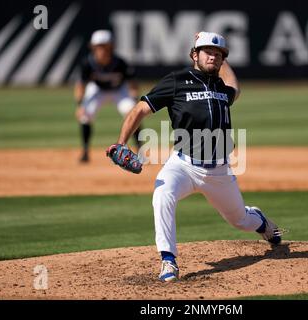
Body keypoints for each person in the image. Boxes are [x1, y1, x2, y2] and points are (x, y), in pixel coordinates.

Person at [108, 31, 283, 282]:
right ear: (194, 55)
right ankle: (168, 260)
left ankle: (264, 224)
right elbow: (141, 109)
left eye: (219, 54)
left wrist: (222, 56)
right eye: (208, 52)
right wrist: (121, 142)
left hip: (219, 171)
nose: (213, 56)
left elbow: (236, 87)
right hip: (183, 165)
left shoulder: (221, 88)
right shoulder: (177, 80)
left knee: (239, 219)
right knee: (162, 194)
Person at [74, 29, 143, 163]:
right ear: (93, 48)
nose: (101, 50)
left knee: (132, 113)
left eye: (104, 46)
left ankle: (140, 149)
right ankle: (85, 152)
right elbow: (80, 86)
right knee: (85, 114)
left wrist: (135, 101)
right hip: (97, 90)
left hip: (119, 90)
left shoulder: (120, 63)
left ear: (111, 47)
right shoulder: (87, 63)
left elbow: (133, 85)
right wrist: (80, 105)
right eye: (98, 47)